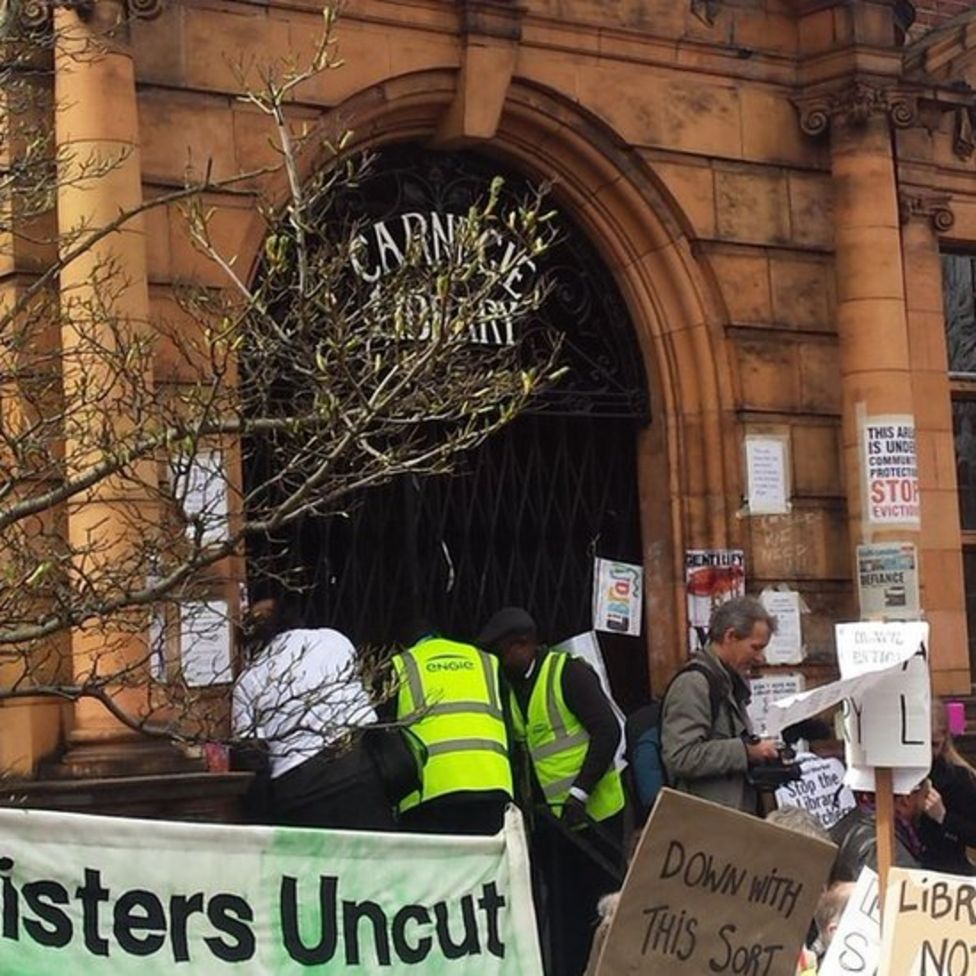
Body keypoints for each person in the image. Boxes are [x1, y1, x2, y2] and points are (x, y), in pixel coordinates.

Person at [477, 606, 626, 976]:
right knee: (563, 917)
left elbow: (608, 730)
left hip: (595, 818)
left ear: (523, 644)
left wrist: (579, 794)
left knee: (604, 909)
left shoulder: (567, 672)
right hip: (553, 827)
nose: (496, 660)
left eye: (499, 651)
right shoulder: (511, 688)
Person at [231, 596, 396, 830]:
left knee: (316, 865)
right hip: (357, 770)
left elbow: (250, 755)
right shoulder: (332, 640)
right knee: (372, 858)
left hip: (297, 790)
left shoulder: (247, 682)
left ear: (250, 639)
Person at [390, 623, 513, 835]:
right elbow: (509, 726)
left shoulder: (400, 664)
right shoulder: (485, 661)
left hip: (429, 794)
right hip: (492, 786)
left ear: (403, 645)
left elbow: (386, 737)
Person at [661, 596, 780, 814]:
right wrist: (747, 752)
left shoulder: (728, 681)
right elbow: (680, 756)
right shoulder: (694, 684)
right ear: (731, 637)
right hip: (708, 824)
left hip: (731, 818)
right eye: (755, 647)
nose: (761, 658)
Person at [829, 781, 934, 882]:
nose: (925, 806)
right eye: (925, 796)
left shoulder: (845, 825)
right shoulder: (893, 857)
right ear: (906, 799)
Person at [918, 698, 976, 875]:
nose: (928, 752)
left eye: (934, 744)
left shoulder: (959, 777)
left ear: (944, 740)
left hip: (948, 870)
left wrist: (943, 817)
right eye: (922, 744)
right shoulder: (898, 775)